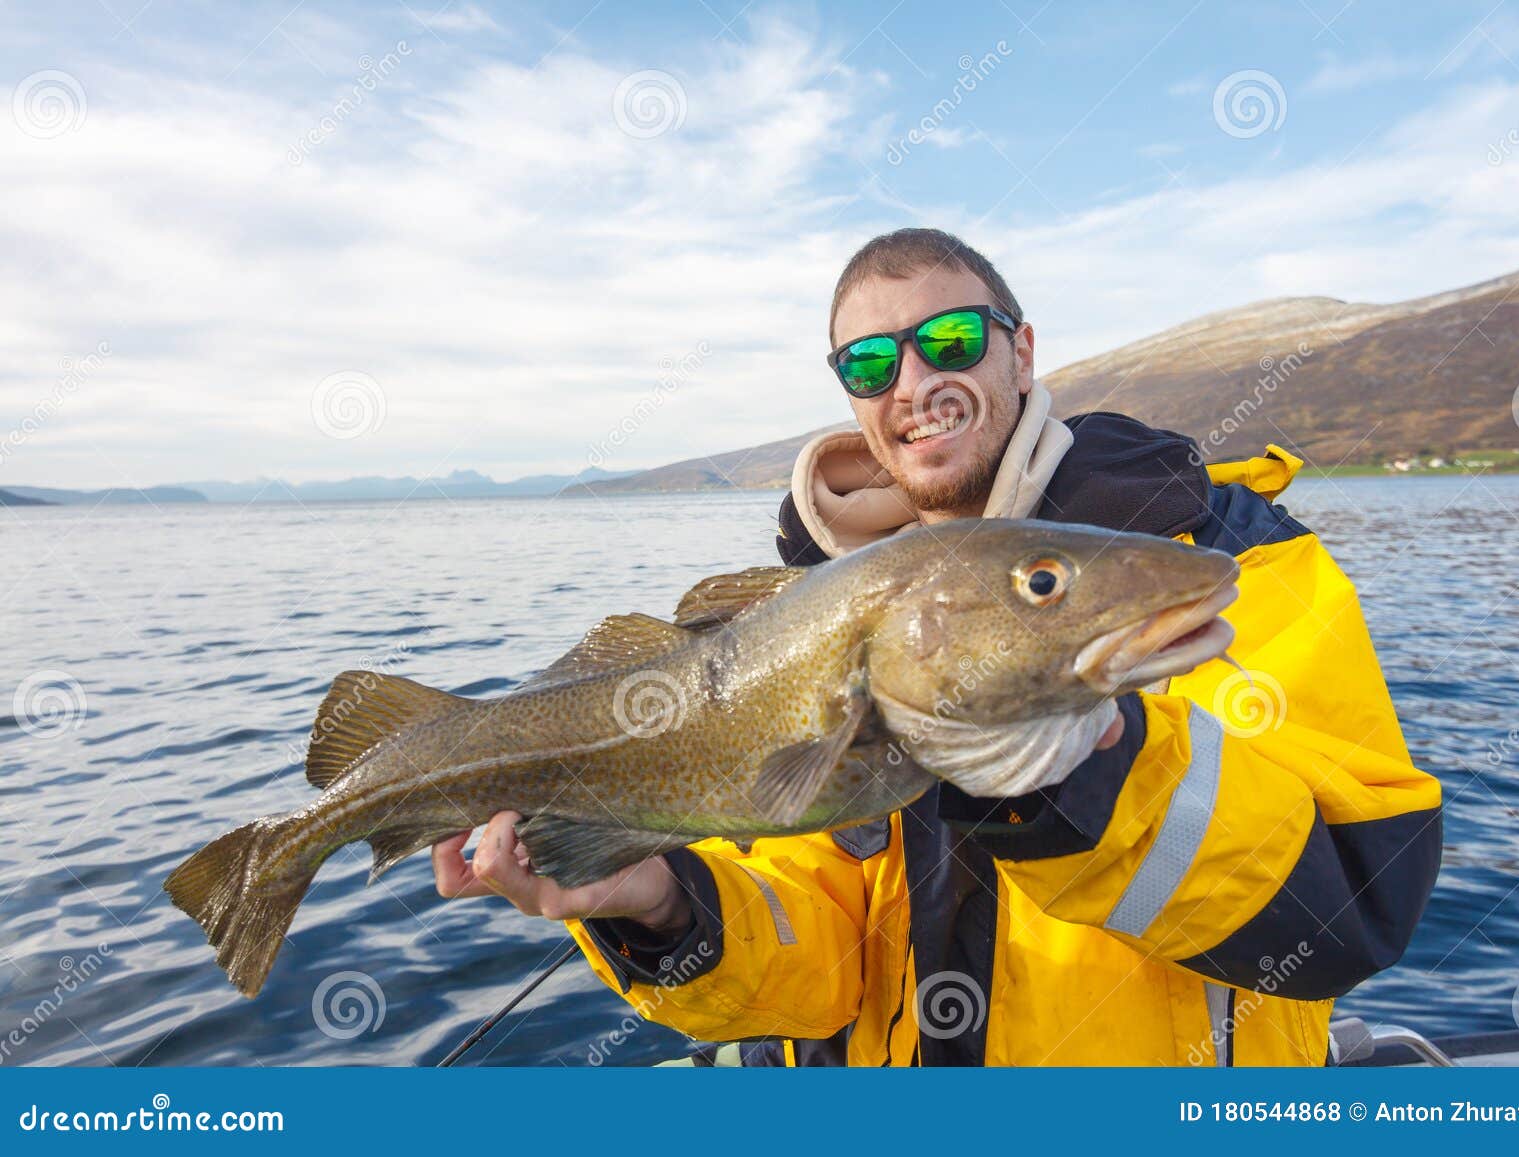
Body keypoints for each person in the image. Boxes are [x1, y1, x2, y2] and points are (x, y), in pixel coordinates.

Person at [432, 228, 1442, 1066]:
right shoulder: (806, 624)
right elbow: (819, 964)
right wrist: (656, 902)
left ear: (1021, 350)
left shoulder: (1225, 559)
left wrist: (1087, 765)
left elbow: (1355, 903)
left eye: (950, 336)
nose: (914, 378)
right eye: (869, 361)